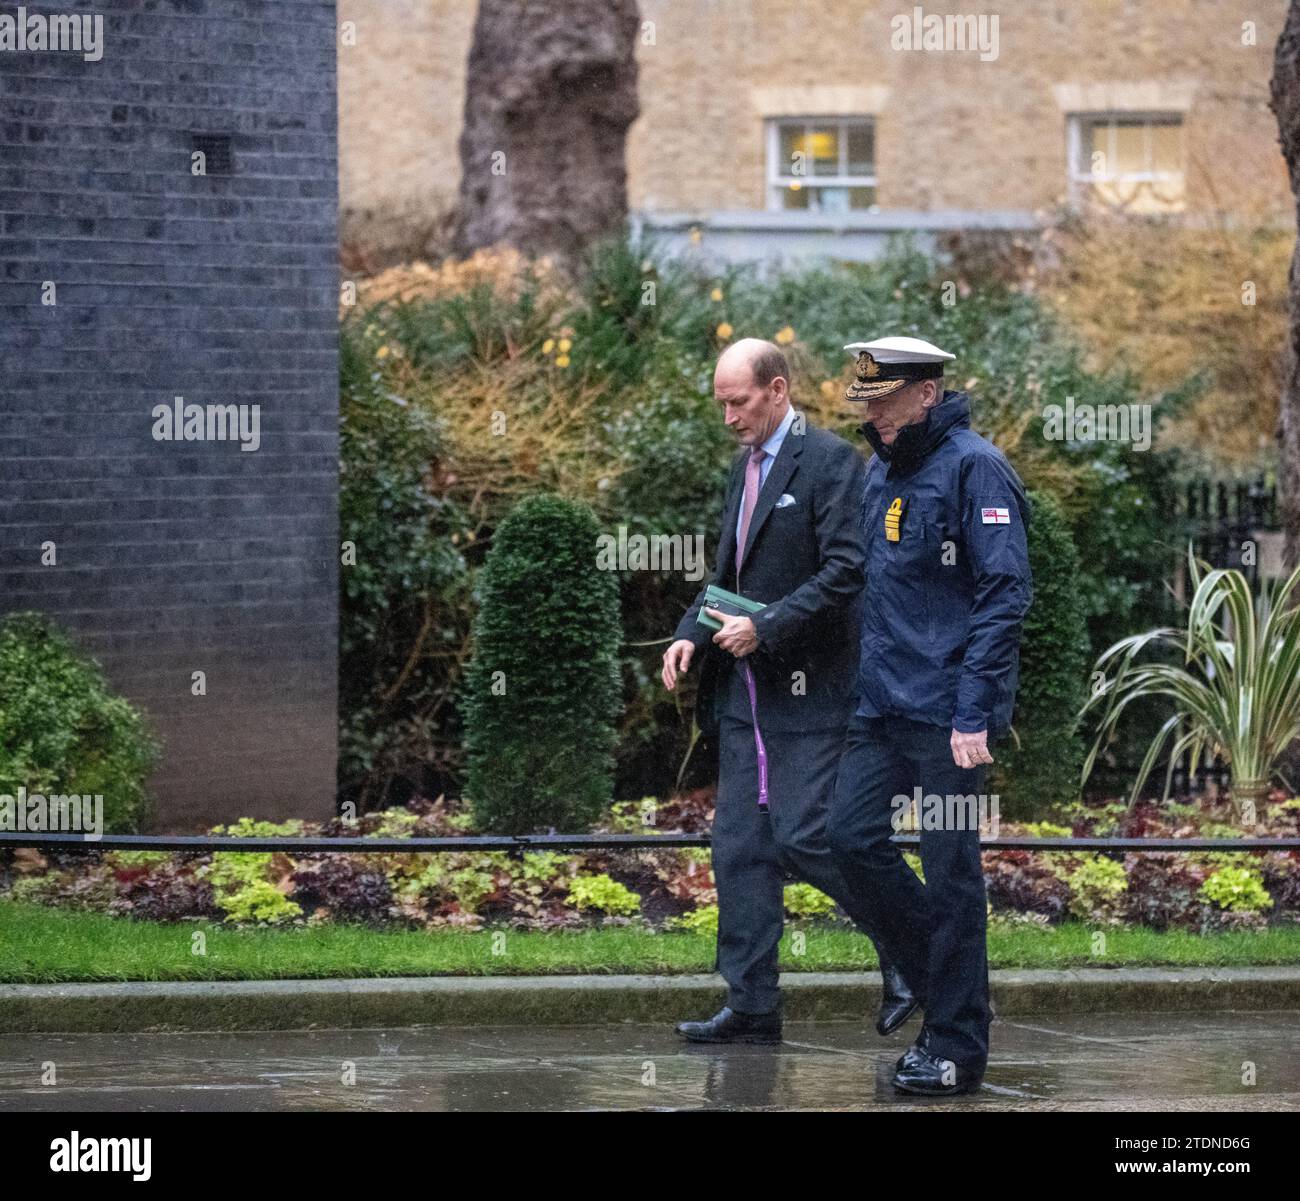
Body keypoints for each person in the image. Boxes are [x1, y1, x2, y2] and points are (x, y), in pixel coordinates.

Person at [662, 337, 916, 1045]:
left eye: (737, 402)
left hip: (815, 691)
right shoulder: (740, 470)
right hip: (745, 695)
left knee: (806, 834)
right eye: (721, 404)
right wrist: (691, 628)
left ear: (778, 391)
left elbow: (847, 571)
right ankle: (752, 1006)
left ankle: (906, 947)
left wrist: (766, 628)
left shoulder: (834, 462)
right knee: (739, 846)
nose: (728, 417)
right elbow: (727, 581)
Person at [827, 335, 1033, 1095]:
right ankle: (937, 979)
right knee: (848, 838)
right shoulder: (886, 466)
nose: (873, 415)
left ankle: (955, 1045)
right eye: (866, 402)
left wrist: (974, 712)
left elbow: (1004, 594)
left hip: (950, 717)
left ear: (926, 393)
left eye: (883, 401)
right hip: (883, 707)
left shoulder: (977, 468)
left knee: (949, 874)